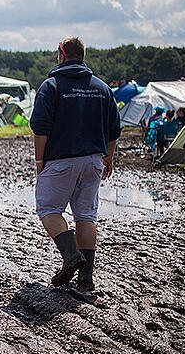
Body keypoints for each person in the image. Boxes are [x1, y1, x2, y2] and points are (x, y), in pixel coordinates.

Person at [30, 37, 121, 292]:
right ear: (83, 55)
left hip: (61, 158)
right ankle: (86, 278)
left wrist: (40, 161)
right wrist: (108, 158)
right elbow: (115, 129)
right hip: (93, 159)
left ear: (61, 55)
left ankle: (71, 257)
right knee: (86, 216)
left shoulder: (51, 86)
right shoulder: (102, 88)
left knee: (48, 209)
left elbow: (40, 128)